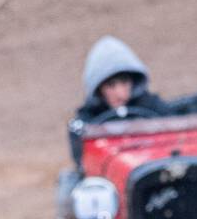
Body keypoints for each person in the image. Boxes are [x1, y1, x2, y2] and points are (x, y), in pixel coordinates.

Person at [67, 36, 171, 165]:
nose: (120, 93)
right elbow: (83, 163)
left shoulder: (151, 106)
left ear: (133, 83)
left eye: (124, 83)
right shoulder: (86, 120)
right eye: (111, 86)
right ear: (99, 89)